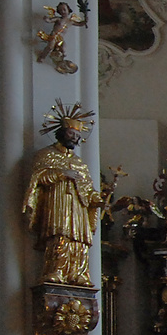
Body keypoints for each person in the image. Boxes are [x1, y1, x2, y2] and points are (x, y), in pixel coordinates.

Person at [23, 101, 107, 287]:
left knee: (81, 239)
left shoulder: (80, 163)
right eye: (72, 134)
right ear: (62, 133)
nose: (75, 138)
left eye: (78, 135)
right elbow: (38, 178)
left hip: (78, 206)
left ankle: (79, 273)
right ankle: (56, 270)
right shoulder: (46, 155)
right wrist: (61, 174)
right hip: (58, 201)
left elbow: (87, 187)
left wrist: (96, 198)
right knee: (60, 235)